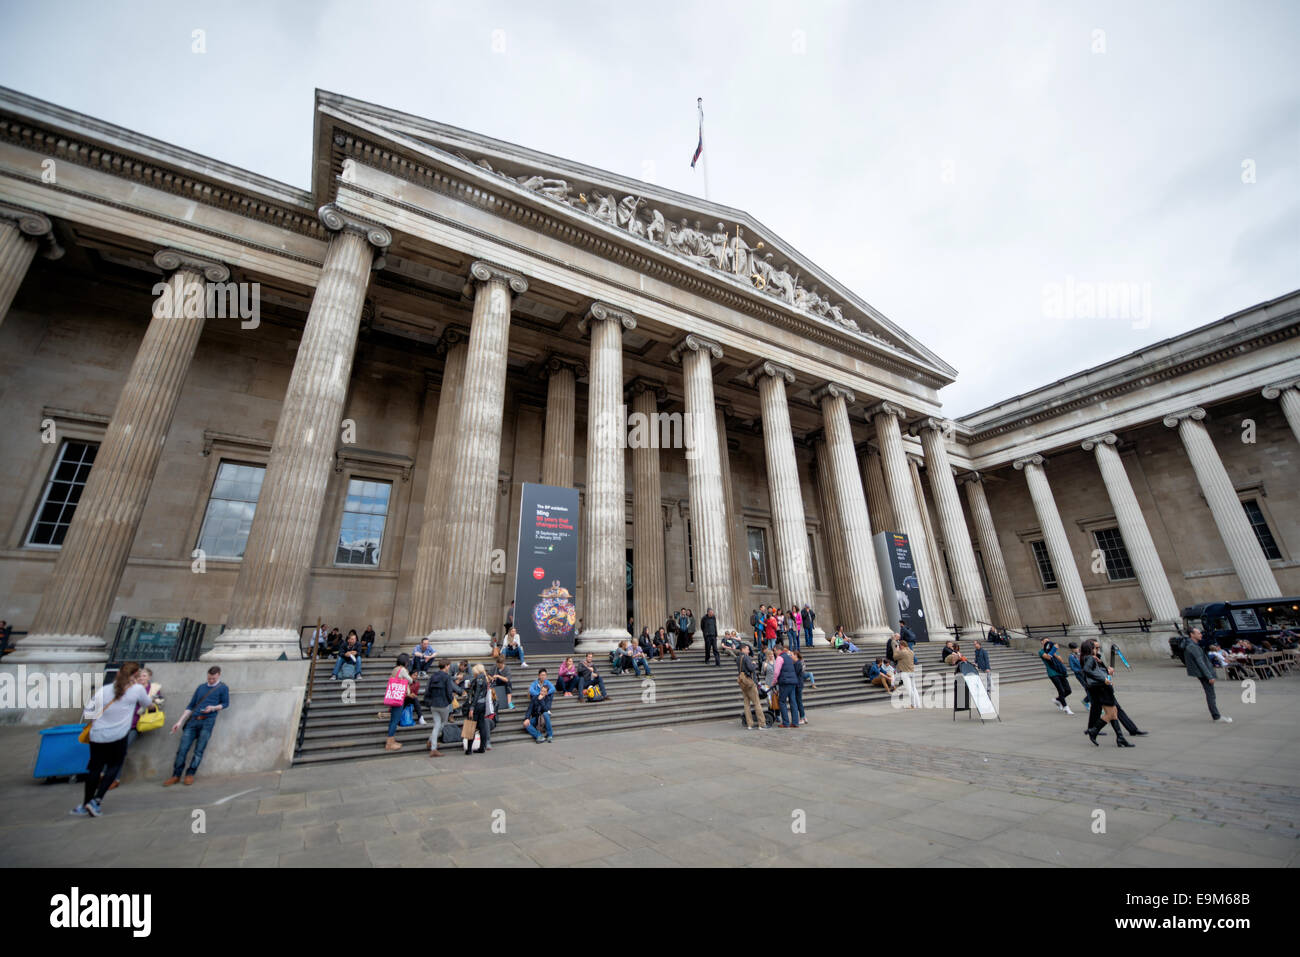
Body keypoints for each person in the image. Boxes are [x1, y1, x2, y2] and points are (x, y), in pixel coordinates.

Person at [68, 662, 154, 817]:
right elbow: (148, 704)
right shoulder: (137, 690)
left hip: (98, 735)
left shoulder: (104, 690)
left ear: (118, 673)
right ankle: (97, 800)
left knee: (94, 769)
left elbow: (88, 712)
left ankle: (85, 803)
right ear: (135, 677)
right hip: (118, 735)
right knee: (114, 766)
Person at [163, 665, 230, 784]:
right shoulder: (201, 687)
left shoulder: (223, 688)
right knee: (182, 749)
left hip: (208, 721)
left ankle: (190, 774)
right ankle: (176, 775)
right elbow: (191, 705)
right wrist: (180, 721)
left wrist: (213, 708)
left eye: (213, 678)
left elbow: (225, 704)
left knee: (199, 750)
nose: (211, 680)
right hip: (193, 720)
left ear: (219, 675)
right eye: (209, 678)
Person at [1080, 639, 1133, 747]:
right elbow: (1087, 670)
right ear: (1090, 649)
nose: (1097, 650)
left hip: (1101, 688)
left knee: (1114, 713)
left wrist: (1105, 670)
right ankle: (1094, 730)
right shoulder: (1090, 658)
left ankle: (1120, 738)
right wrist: (1104, 679)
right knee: (1111, 713)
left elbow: (1095, 670)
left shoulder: (1090, 658)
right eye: (1096, 648)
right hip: (1102, 688)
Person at [1185, 628, 1232, 723]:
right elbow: (1200, 662)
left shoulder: (1193, 645)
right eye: (1198, 633)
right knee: (1211, 695)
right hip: (1204, 674)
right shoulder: (1192, 646)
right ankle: (1216, 716)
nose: (1201, 635)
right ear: (1192, 635)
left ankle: (1216, 716)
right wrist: (1209, 676)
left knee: (1210, 694)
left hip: (1203, 673)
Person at [422, 660, 457, 756]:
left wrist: (428, 701)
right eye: (448, 666)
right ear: (446, 666)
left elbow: (427, 689)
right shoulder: (446, 677)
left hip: (433, 703)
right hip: (443, 704)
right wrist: (450, 700)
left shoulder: (433, 676)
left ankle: (432, 743)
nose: (449, 667)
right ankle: (433, 747)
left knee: (437, 724)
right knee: (442, 723)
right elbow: (449, 691)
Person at [1038, 637, 1074, 714]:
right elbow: (1047, 657)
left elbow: (1061, 660)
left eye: (1049, 641)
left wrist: (1054, 652)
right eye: (1046, 641)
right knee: (1061, 690)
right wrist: (1053, 650)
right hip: (1052, 673)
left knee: (1068, 690)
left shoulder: (1053, 650)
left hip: (1060, 672)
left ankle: (1058, 700)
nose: (1048, 642)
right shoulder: (1041, 651)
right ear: (1042, 642)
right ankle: (1066, 708)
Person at [463, 663, 493, 754]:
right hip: (483, 704)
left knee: (471, 725)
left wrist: (472, 707)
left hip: (476, 705)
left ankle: (469, 750)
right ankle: (482, 747)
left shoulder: (479, 679)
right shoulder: (485, 678)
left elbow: (476, 695)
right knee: (482, 726)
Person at [736, 643, 766, 730]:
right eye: (747, 649)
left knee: (746, 704)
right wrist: (754, 664)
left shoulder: (738, 658)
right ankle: (761, 723)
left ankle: (750, 724)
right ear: (743, 649)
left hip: (743, 683)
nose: (749, 651)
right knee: (757, 703)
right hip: (749, 682)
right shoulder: (746, 657)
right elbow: (751, 668)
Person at [524, 669, 556, 743]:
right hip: (536, 717)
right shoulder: (535, 697)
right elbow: (530, 709)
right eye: (542, 691)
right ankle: (539, 736)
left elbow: (546, 709)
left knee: (545, 713)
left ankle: (550, 734)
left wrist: (541, 700)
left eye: (544, 692)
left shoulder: (548, 699)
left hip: (544, 717)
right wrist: (527, 718)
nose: (542, 692)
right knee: (526, 724)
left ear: (547, 693)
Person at [775, 644, 800, 728]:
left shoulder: (779, 658)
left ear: (778, 650)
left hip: (785, 682)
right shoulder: (789, 657)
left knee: (782, 701)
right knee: (793, 701)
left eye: (775, 650)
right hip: (793, 681)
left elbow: (776, 672)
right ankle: (795, 722)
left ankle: (785, 722)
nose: (774, 652)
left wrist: (774, 681)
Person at [1066, 642, 1089, 708]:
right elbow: (1072, 667)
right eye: (1075, 648)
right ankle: (1087, 701)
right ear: (1071, 649)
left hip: (1087, 673)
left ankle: (1086, 700)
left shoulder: (1082, 654)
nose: (1077, 649)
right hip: (1080, 675)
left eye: (1077, 648)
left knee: (1092, 688)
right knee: (1087, 688)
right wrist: (1079, 671)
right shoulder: (1071, 656)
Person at [792, 649, 809, 724]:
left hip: (798, 684)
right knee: (799, 701)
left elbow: (796, 673)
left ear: (796, 655)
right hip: (799, 684)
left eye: (792, 655)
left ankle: (802, 717)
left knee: (798, 701)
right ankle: (803, 716)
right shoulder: (798, 663)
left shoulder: (797, 663)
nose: (791, 656)